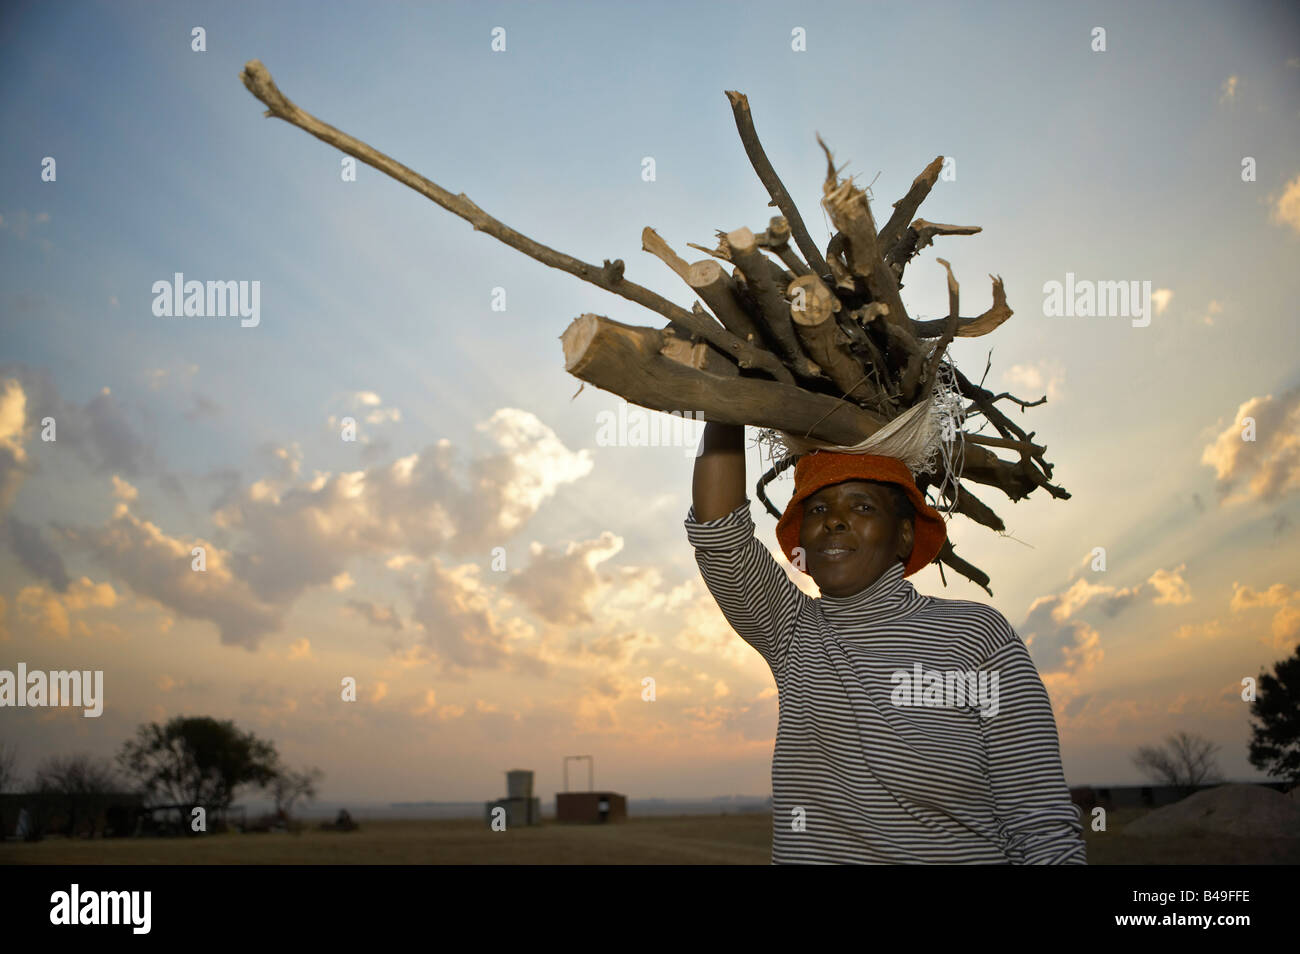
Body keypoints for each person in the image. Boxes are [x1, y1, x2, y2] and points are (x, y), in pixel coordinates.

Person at [685, 422, 1085, 864]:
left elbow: (1040, 823)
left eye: (862, 506)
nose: (834, 520)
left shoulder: (976, 638)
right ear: (800, 543)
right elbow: (719, 532)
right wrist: (726, 402)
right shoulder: (793, 630)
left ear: (905, 535)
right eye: (817, 510)